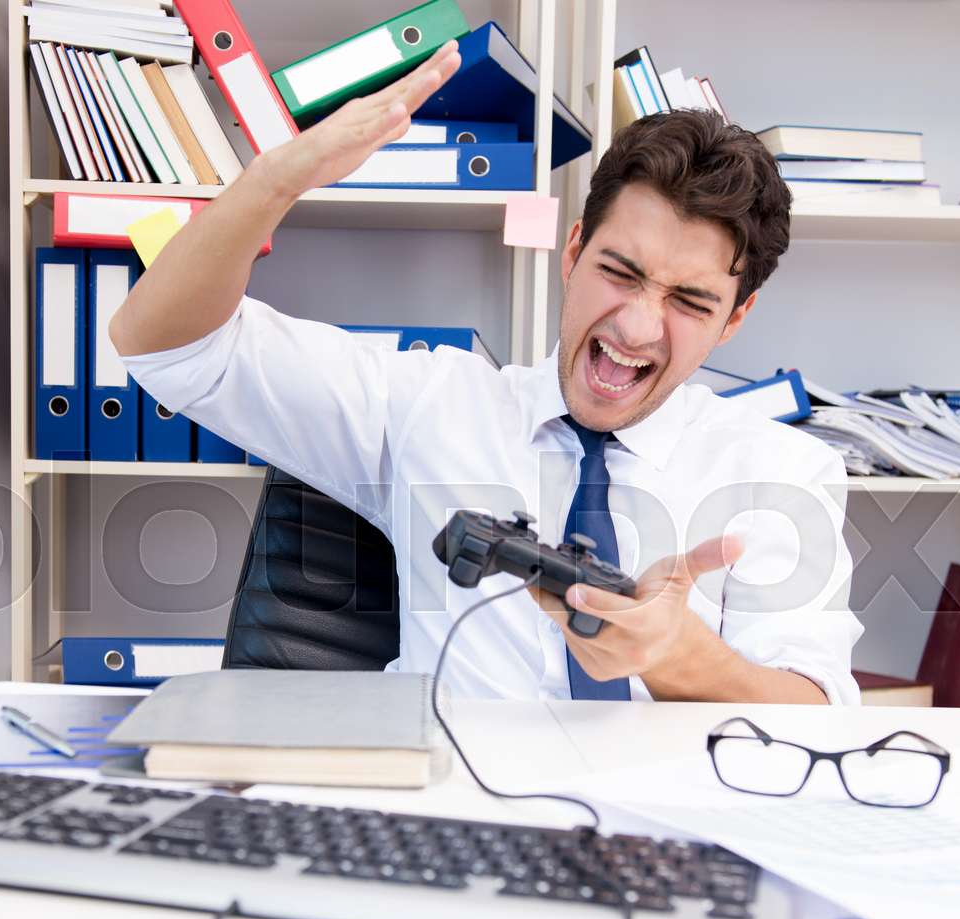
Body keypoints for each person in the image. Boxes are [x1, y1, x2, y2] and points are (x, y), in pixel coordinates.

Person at [111, 42, 862, 704]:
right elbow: (164, 345)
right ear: (572, 253)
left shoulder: (780, 469)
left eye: (689, 302)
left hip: (661, 832)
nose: (636, 326)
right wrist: (277, 182)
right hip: (449, 809)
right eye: (619, 273)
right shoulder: (429, 403)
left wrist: (685, 662)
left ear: (735, 319)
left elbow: (817, 709)